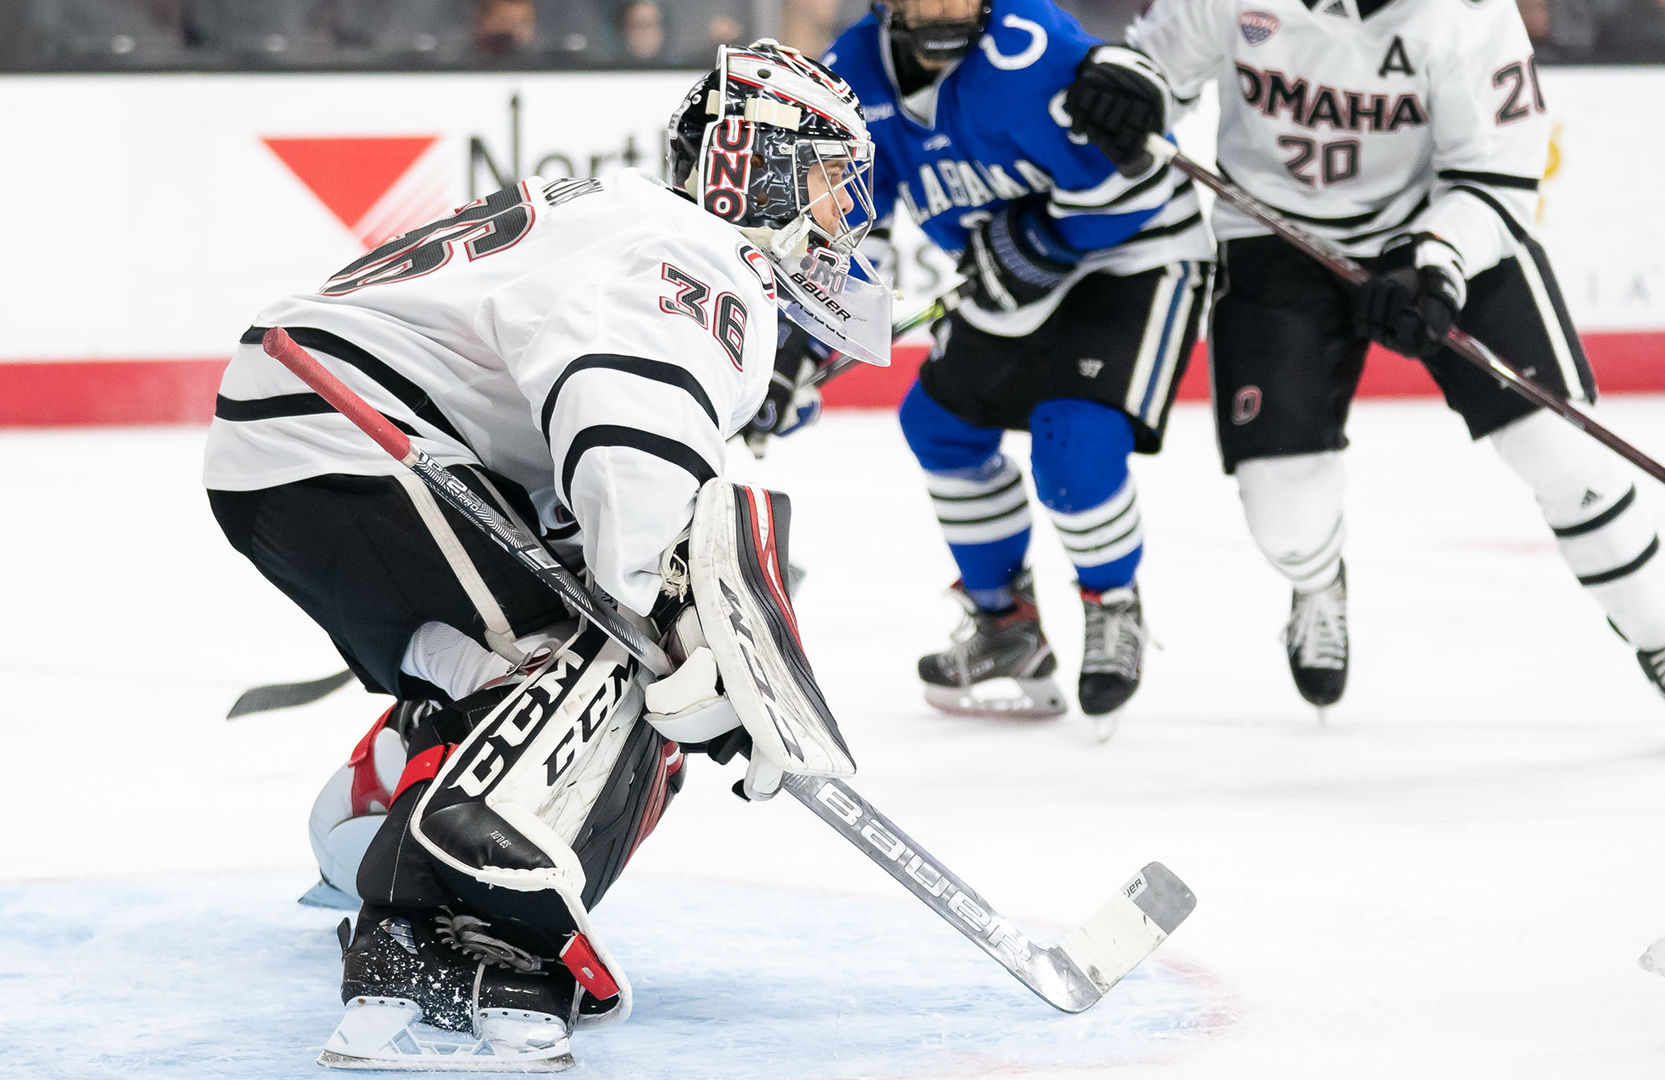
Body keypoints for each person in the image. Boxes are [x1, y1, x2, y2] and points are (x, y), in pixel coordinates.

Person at [202, 42, 888, 1070]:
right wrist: (677, 626)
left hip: (303, 432)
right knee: (613, 665)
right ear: (764, 166)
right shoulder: (705, 254)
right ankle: (438, 933)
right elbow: (624, 426)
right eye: (833, 179)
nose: (846, 214)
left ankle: (367, 820)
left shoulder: (623, 218)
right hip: (357, 435)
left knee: (542, 651)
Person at [1065, 0, 1665, 719]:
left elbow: (1500, 178)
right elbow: (1159, 69)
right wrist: (1130, 92)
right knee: (1285, 518)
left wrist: (1438, 262)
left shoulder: (1467, 13)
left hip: (1440, 228)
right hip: (1275, 238)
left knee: (1560, 453)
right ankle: (1317, 579)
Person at [818, 0, 1214, 723]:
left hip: (1136, 253)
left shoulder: (1025, 48)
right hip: (1016, 259)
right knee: (939, 427)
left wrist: (1032, 244)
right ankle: (1007, 628)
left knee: (1074, 442)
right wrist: (809, 336)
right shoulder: (850, 73)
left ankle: (1112, 603)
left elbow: (1128, 185)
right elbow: (854, 228)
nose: (944, 8)